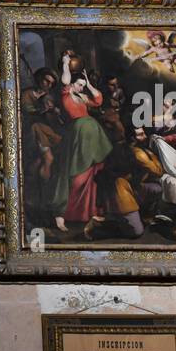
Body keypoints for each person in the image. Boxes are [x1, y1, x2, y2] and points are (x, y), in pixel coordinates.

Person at [44, 51, 113, 231]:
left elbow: (98, 101)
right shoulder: (66, 94)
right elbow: (66, 81)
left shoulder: (82, 97)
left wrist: (89, 84)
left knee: (92, 172)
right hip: (77, 136)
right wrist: (66, 64)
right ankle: (63, 214)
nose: (81, 88)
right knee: (75, 176)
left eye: (82, 85)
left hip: (93, 136)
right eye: (79, 85)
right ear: (73, 84)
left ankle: (90, 211)